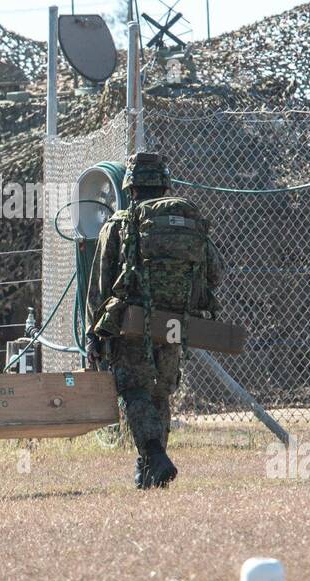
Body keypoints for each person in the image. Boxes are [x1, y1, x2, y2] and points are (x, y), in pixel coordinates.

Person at [84, 152, 222, 489]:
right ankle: (148, 470)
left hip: (132, 322)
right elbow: (215, 272)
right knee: (160, 393)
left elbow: (100, 285)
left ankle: (154, 457)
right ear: (164, 184)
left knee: (134, 390)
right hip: (174, 321)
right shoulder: (189, 221)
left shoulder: (119, 223)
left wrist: (94, 334)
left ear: (130, 187)